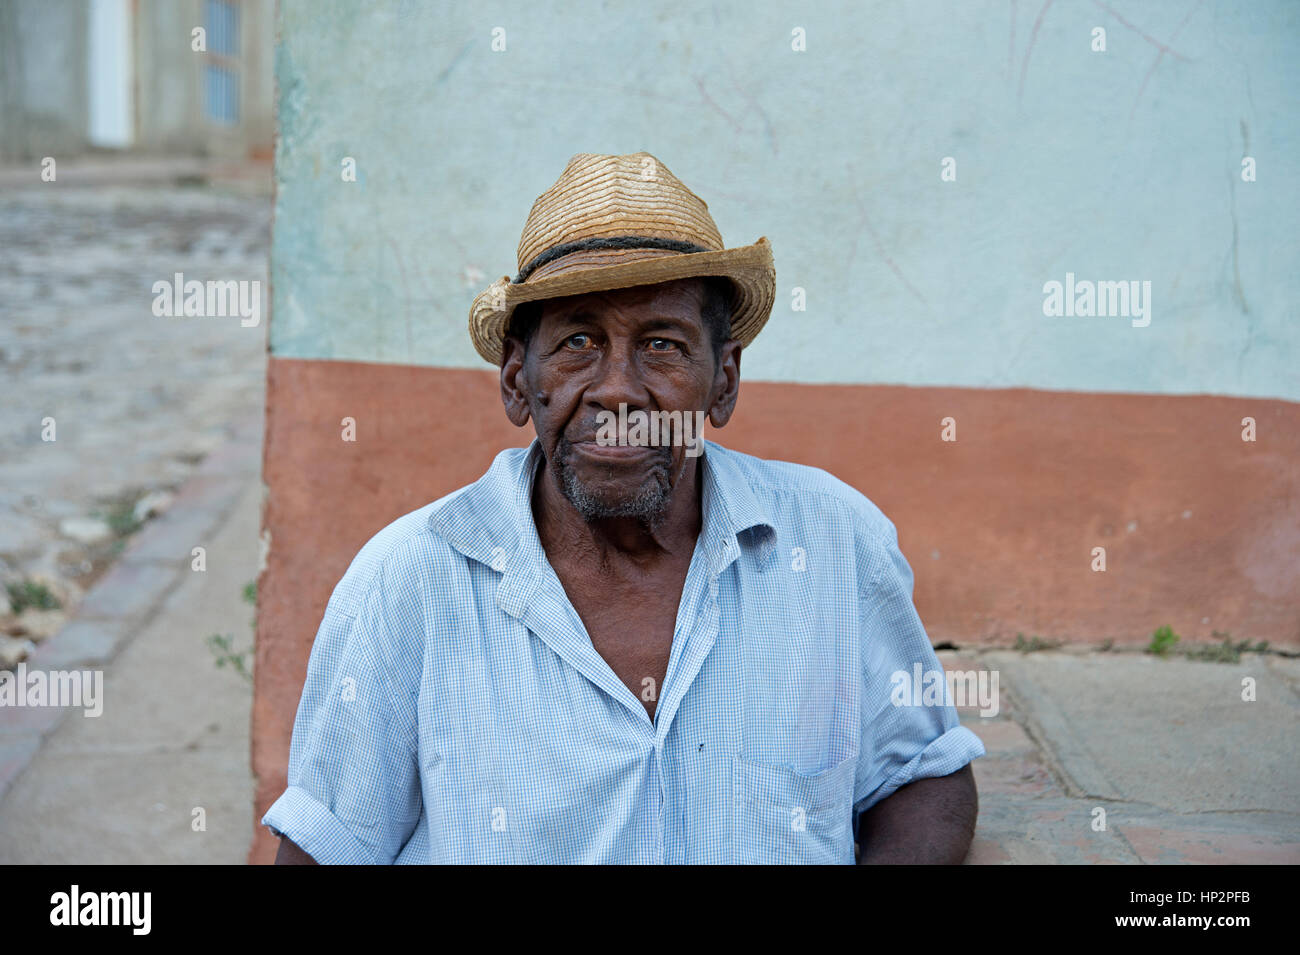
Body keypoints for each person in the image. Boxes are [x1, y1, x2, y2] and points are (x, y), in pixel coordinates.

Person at [263, 152, 984, 864]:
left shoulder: (833, 539)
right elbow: (325, 849)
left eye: (662, 345)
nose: (618, 390)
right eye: (578, 342)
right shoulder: (409, 580)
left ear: (723, 381)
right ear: (519, 381)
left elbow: (922, 776)